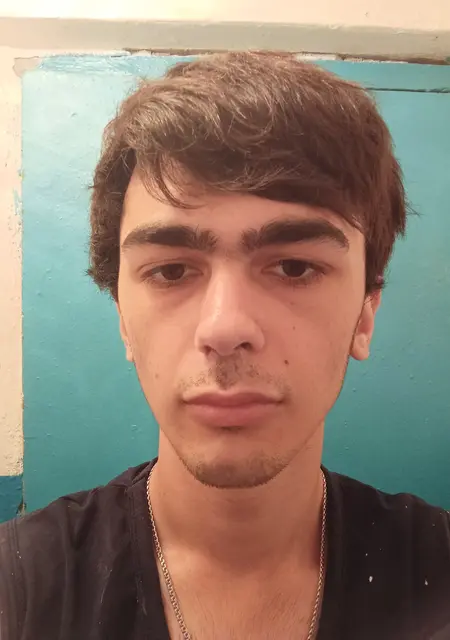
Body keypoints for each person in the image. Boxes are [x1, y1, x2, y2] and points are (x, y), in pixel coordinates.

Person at [0, 51, 449, 640]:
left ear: (365, 316)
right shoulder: (19, 586)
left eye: (294, 267)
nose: (223, 327)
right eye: (170, 271)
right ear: (124, 322)